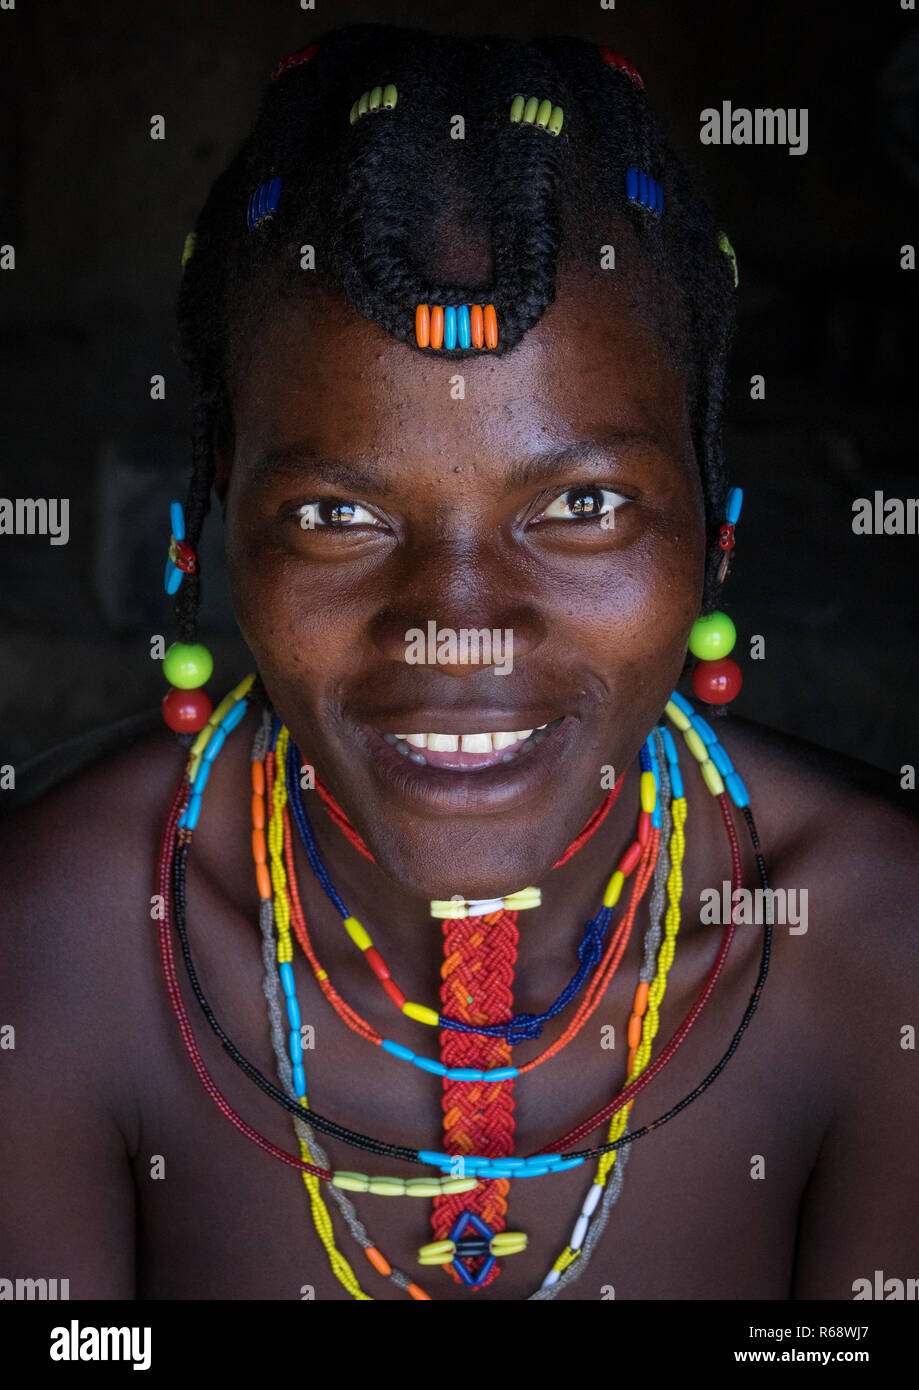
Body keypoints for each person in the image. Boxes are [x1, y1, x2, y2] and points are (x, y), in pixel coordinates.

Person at [1, 23, 917, 1304]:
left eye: (581, 505)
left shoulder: (877, 944)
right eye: (338, 516)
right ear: (216, 524)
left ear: (717, 528)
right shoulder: (59, 939)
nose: (454, 624)